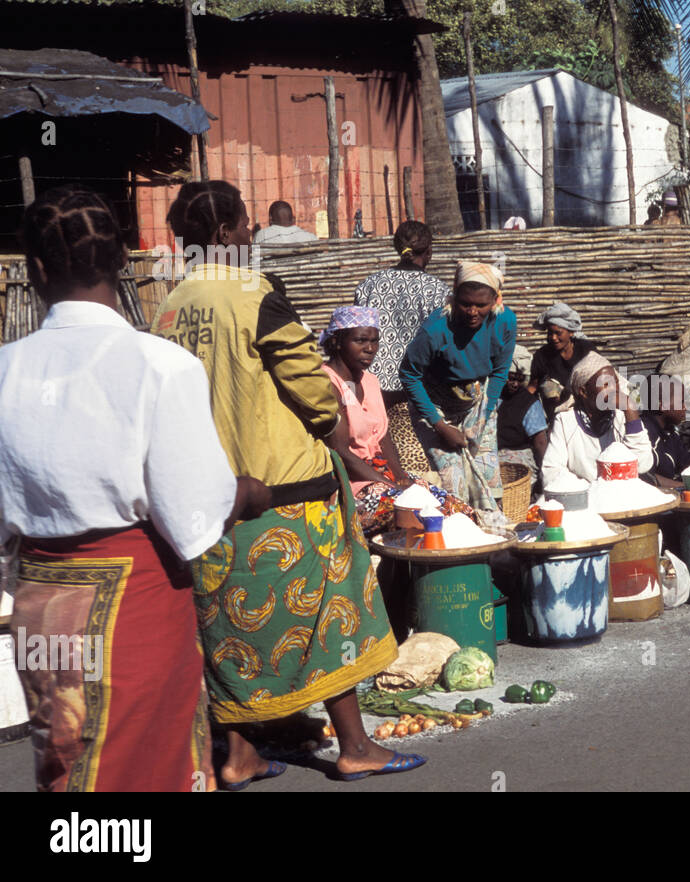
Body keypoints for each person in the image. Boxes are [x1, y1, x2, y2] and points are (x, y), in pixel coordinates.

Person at [0, 186, 270, 792]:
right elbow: (193, 517)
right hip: (136, 598)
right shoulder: (159, 365)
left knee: (67, 762)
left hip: (40, 604)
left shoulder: (5, 370)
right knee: (143, 767)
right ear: (123, 260)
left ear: (36, 269)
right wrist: (245, 493)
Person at [152, 180, 419, 785]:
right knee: (331, 612)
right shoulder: (254, 290)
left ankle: (239, 754)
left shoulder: (170, 303)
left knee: (230, 627)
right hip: (287, 489)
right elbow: (304, 377)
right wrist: (328, 417)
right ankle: (354, 746)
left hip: (213, 493)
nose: (251, 234)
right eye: (245, 224)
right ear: (224, 234)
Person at [319, 307, 458, 534]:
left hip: (382, 474)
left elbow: (383, 439)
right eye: (360, 340)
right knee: (412, 513)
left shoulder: (371, 382)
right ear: (336, 342)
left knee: (449, 506)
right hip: (352, 481)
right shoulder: (326, 383)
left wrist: (401, 478)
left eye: (375, 341)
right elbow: (340, 450)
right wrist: (390, 486)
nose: (370, 349)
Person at [402, 261, 516, 510]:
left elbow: (499, 373)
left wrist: (484, 417)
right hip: (435, 404)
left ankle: (490, 535)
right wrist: (440, 426)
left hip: (477, 401)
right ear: (454, 297)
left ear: (495, 300)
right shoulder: (436, 329)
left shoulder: (505, 321)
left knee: (486, 476)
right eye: (465, 303)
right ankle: (457, 537)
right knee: (454, 482)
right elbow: (409, 375)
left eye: (481, 305)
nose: (472, 311)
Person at [353, 221, 454, 409]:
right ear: (429, 251)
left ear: (397, 247)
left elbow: (355, 334)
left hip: (371, 386)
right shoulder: (438, 291)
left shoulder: (368, 285)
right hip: (417, 387)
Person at [541, 352, 653, 486]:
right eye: (606, 384)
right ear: (584, 392)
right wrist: (592, 490)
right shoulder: (565, 421)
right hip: (583, 499)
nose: (614, 390)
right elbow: (551, 474)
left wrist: (630, 411)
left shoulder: (622, 416)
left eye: (616, 382)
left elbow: (643, 464)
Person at [530, 301, 599, 419]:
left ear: (571, 332)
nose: (553, 338)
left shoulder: (586, 350)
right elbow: (533, 386)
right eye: (550, 333)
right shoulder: (542, 355)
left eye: (558, 333)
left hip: (589, 409)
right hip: (559, 415)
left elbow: (601, 377)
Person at [497, 344, 549, 482]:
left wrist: (545, 474)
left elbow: (540, 442)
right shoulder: (492, 397)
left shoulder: (529, 403)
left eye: (520, 380)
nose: (515, 384)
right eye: (511, 378)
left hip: (518, 457)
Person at [642, 375, 690, 489]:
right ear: (662, 405)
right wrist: (684, 487)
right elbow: (645, 476)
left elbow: (689, 465)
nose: (686, 407)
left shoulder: (670, 432)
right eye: (682, 401)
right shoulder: (644, 434)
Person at [252, 200, 318, 245]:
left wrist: (243, 246)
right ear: (293, 219)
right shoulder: (311, 238)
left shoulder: (261, 236)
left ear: (270, 219)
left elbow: (254, 264)